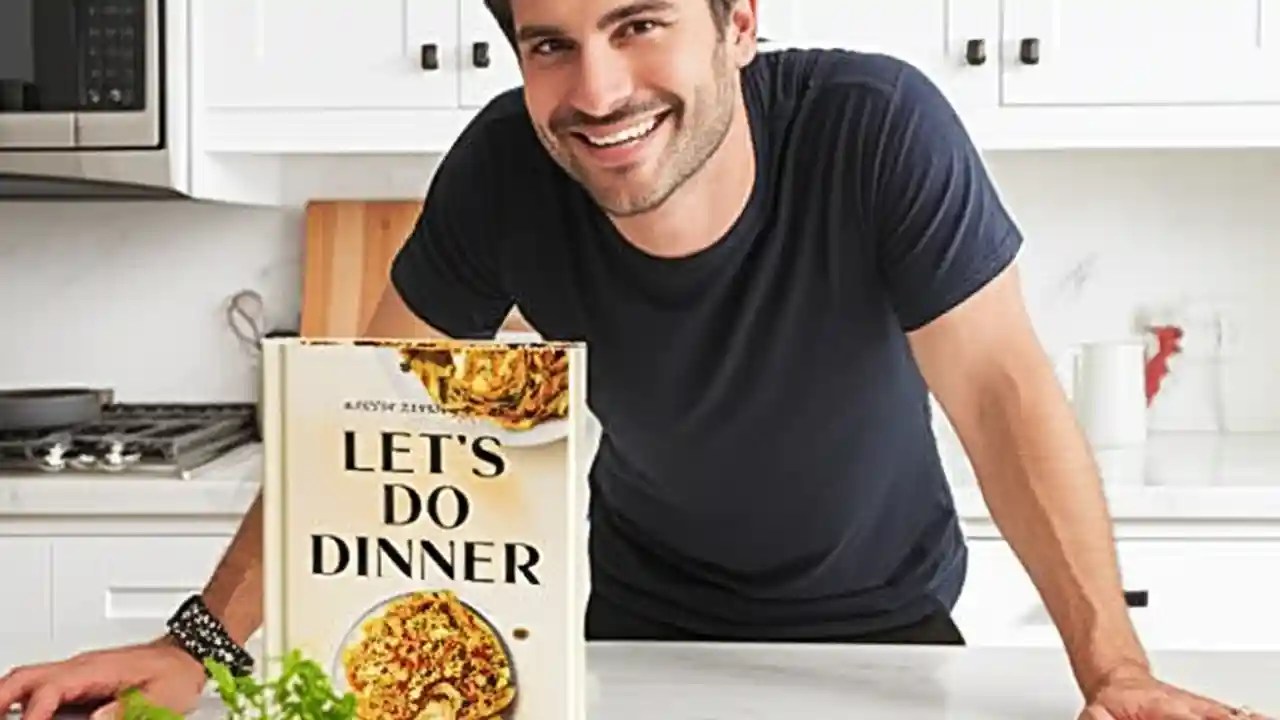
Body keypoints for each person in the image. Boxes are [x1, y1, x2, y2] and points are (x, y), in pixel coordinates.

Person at [0, 1, 1267, 719]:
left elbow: (1000, 397)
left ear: (736, 24)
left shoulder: (876, 130)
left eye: (638, 24)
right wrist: (197, 645)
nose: (594, 90)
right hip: (628, 634)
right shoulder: (506, 165)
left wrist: (1111, 671)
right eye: (550, 42)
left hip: (886, 629)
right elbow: (356, 416)